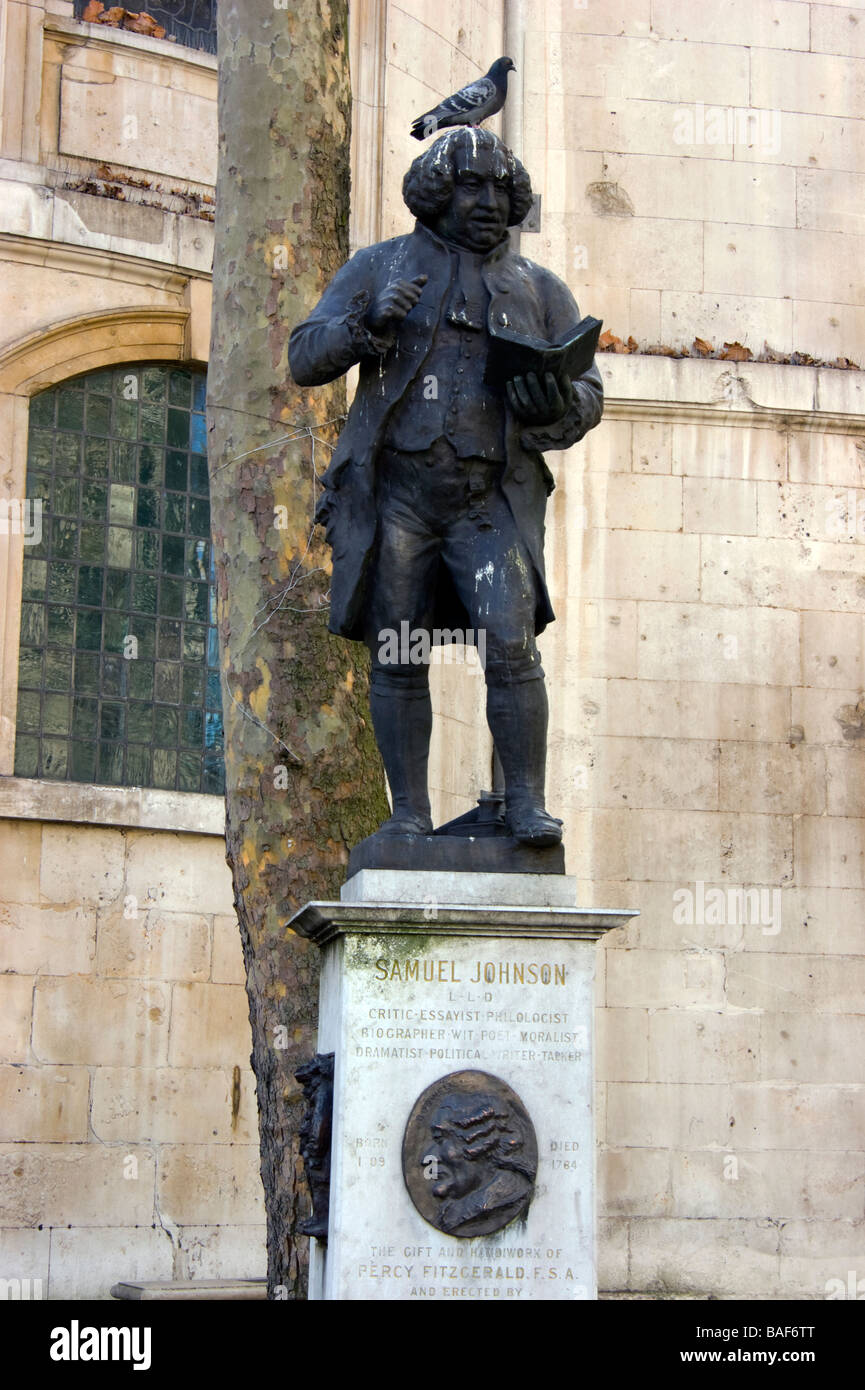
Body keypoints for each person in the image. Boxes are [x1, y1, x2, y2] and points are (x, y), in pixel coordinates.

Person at [289, 127, 603, 847]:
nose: (489, 203)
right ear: (436, 192)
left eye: (501, 190)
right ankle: (408, 816)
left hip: (486, 499)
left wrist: (553, 402)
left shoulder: (538, 287)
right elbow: (304, 355)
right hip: (398, 496)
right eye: (471, 187)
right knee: (397, 651)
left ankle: (526, 803)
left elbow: (587, 392)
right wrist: (366, 326)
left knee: (511, 645)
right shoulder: (379, 266)